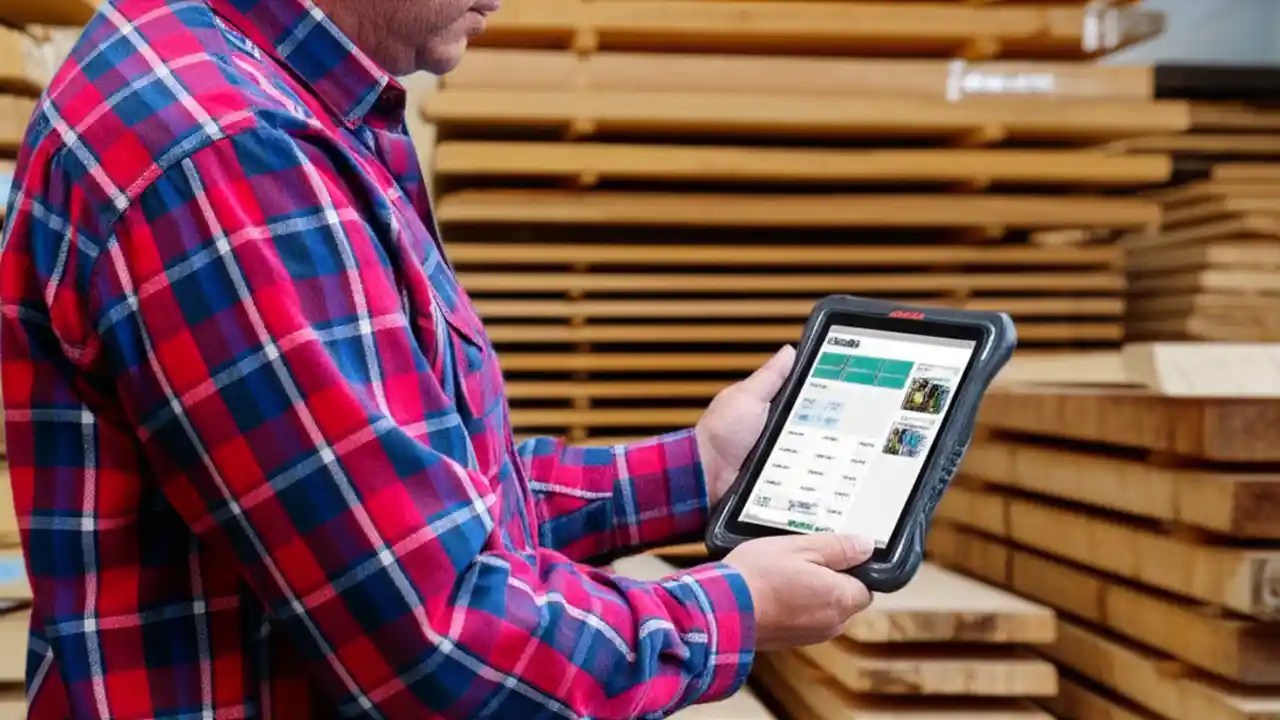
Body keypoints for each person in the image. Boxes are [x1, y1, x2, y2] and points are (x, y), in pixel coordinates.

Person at [0, 0, 876, 716]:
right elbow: (435, 640)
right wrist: (733, 609)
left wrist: (700, 470)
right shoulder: (230, 151)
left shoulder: (258, 91)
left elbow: (419, 500)